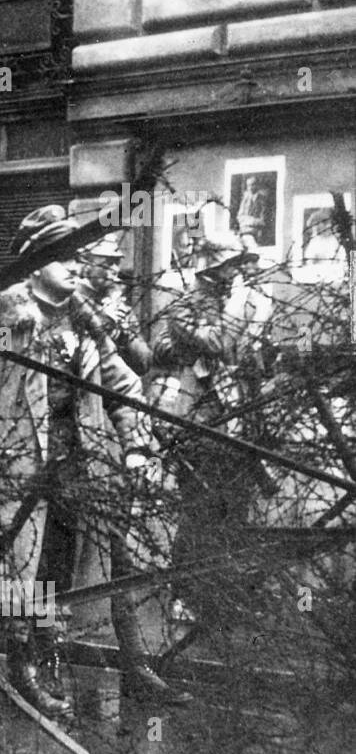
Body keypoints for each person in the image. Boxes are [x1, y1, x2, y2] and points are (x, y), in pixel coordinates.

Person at [0, 205, 159, 717]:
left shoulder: (85, 322)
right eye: (66, 256)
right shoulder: (7, 318)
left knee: (50, 574)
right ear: (36, 263)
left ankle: (36, 665)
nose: (78, 265)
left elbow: (124, 384)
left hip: (69, 470)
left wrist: (137, 442)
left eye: (80, 255)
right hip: (10, 472)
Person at [150, 231, 260, 635]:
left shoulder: (230, 302)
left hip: (234, 421)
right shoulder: (187, 307)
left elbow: (246, 355)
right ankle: (185, 593)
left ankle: (219, 593)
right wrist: (240, 308)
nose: (238, 272)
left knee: (232, 509)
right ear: (214, 268)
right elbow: (216, 342)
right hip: (200, 425)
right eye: (232, 265)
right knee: (199, 510)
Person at [74, 232, 153, 376]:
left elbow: (144, 362)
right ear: (86, 262)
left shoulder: (119, 306)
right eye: (107, 263)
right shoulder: (74, 300)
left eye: (117, 263)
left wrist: (123, 333)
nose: (115, 270)